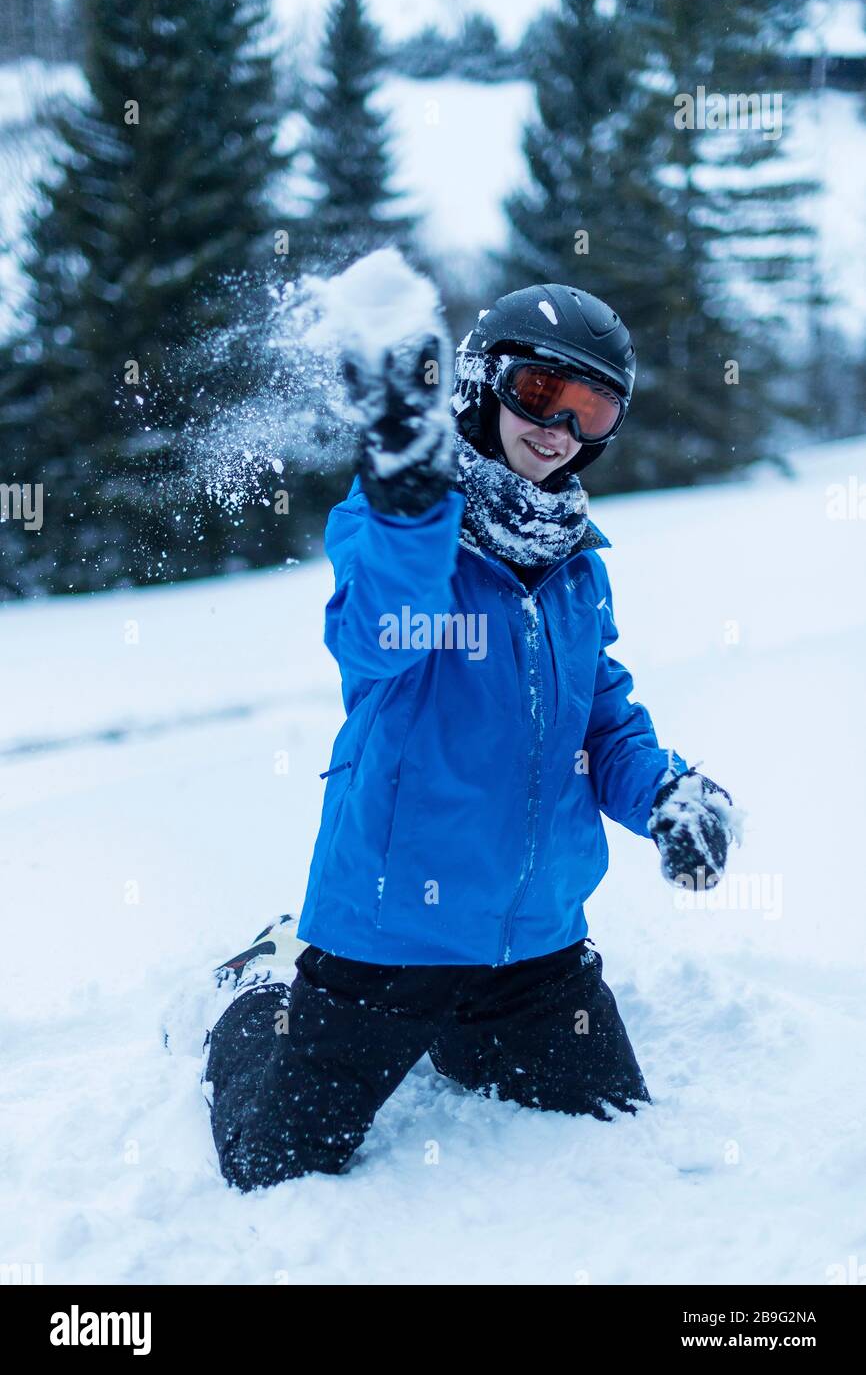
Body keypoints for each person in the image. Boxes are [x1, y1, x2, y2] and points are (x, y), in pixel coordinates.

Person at [203, 282, 738, 1192]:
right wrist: (412, 507)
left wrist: (664, 792)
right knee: (274, 1161)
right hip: (389, 931)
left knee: (614, 1126)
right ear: (481, 387)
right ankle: (254, 987)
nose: (559, 427)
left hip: (533, 943)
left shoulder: (578, 564)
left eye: (591, 408)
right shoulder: (393, 529)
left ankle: (460, 1035)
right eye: (539, 392)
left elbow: (602, 718)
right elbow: (375, 634)